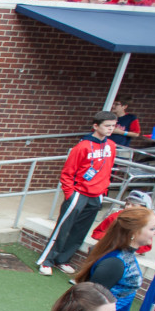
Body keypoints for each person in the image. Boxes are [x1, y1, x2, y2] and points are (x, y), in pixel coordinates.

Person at [36, 111, 118, 276]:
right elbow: (68, 172)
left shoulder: (111, 146)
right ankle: (46, 260)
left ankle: (63, 259)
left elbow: (108, 169)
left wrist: (103, 190)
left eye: (113, 126)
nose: (110, 129)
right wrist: (70, 194)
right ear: (96, 126)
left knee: (81, 230)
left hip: (97, 194)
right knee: (63, 227)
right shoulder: (82, 146)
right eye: (107, 126)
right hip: (79, 193)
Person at [78, 206, 155, 311]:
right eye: (152, 228)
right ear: (134, 232)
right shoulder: (115, 263)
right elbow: (88, 304)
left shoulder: (122, 255)